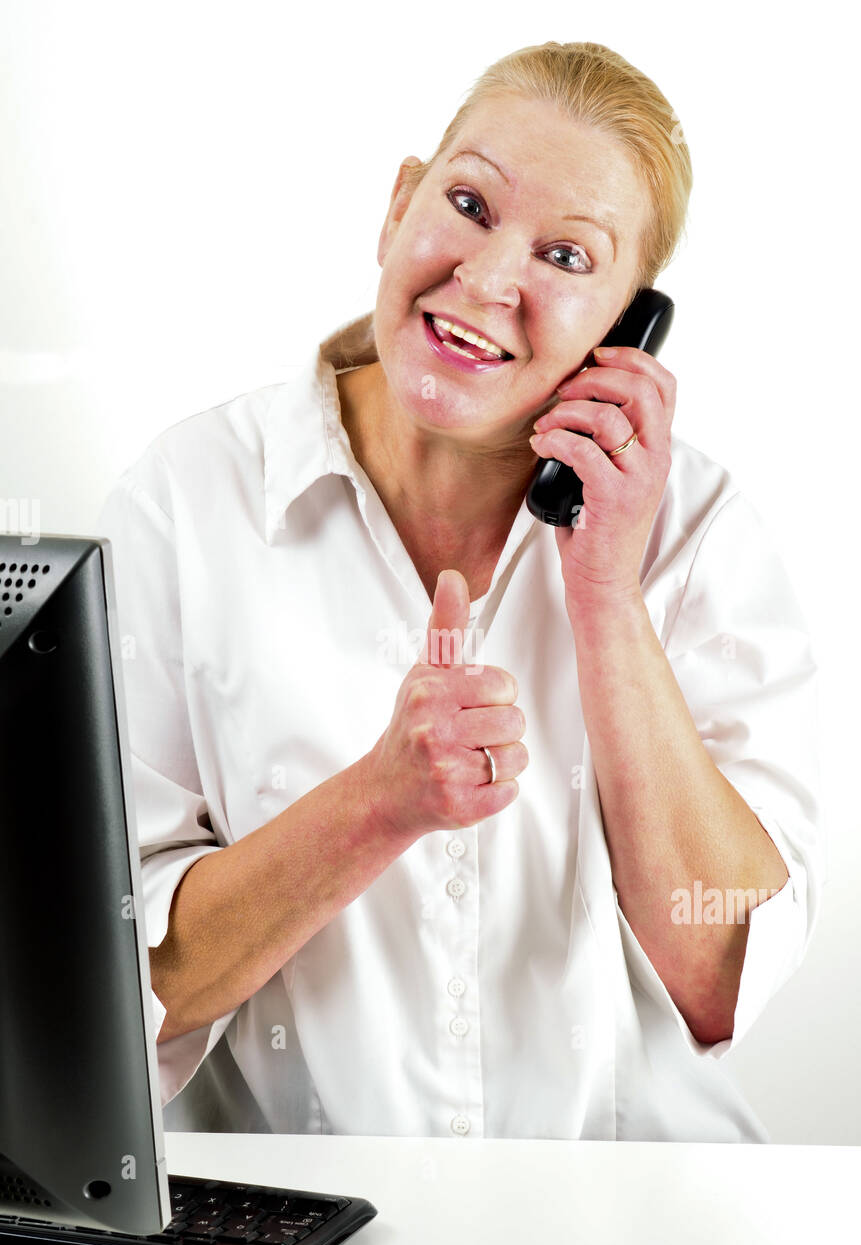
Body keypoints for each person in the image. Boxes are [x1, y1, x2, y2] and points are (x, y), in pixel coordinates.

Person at [97, 40, 824, 1142]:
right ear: (399, 207)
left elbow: (719, 973)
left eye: (569, 258)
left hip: (637, 1232)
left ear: (628, 326)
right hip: (307, 1230)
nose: (486, 281)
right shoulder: (188, 501)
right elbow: (116, 997)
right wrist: (378, 805)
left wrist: (608, 600)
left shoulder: (700, 530)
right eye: (470, 202)